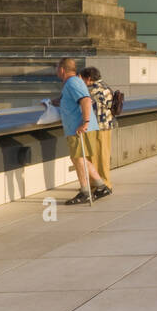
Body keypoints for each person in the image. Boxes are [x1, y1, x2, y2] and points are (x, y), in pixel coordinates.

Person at [55, 57, 109, 203]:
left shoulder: (72, 82)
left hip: (78, 128)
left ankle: (85, 191)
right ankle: (100, 186)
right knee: (79, 158)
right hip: (79, 127)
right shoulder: (74, 82)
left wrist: (85, 123)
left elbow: (85, 100)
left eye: (57, 69)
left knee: (78, 159)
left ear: (61, 69)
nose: (56, 72)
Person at [80, 66, 116, 188]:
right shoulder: (105, 86)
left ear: (89, 78)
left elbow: (83, 103)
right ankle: (101, 182)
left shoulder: (94, 90)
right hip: (107, 125)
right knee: (103, 155)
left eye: (83, 79)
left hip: (99, 127)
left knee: (98, 156)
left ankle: (102, 183)